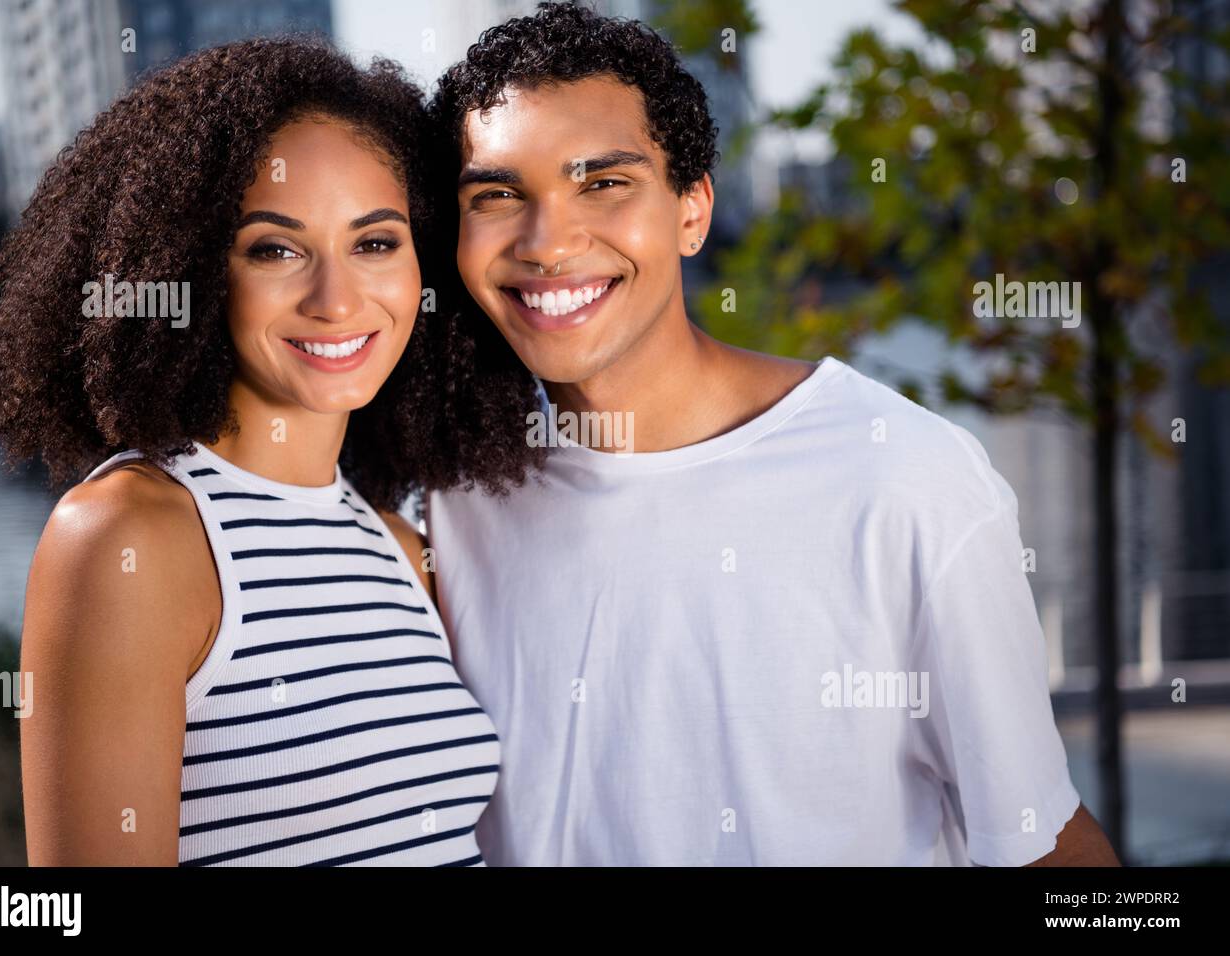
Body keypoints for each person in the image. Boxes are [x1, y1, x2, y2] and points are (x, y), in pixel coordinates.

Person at [424, 2, 1120, 866]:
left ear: (691, 209)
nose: (547, 240)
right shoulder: (450, 503)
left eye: (603, 183)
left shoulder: (906, 478)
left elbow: (1044, 849)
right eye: (498, 195)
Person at [0, 37, 540, 866]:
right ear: (197, 272)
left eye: (375, 242)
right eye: (275, 249)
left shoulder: (403, 550)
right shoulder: (130, 538)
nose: (337, 298)